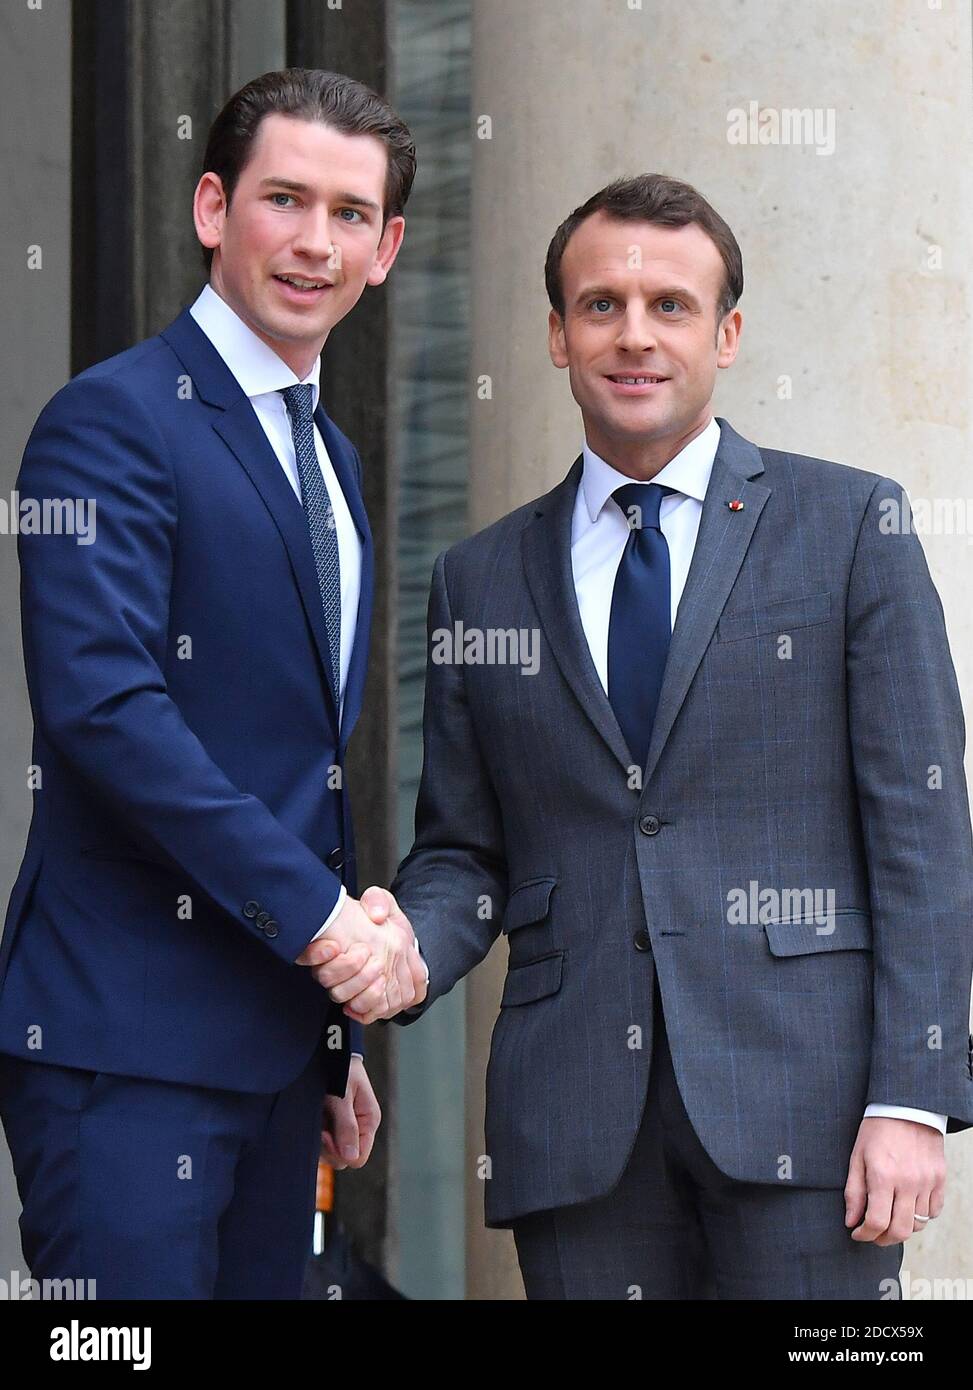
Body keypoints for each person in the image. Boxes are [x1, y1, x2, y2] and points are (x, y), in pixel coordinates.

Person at [314, 174, 973, 1299]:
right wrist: (407, 947)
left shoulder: (851, 525)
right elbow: (466, 849)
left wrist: (910, 1096)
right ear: (558, 335)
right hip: (577, 1131)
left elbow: (921, 827)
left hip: (807, 1124)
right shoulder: (479, 578)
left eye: (670, 305)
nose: (634, 334)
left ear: (726, 333)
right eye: (600, 305)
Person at [0, 67, 426, 1300]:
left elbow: (292, 760)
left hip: (268, 1060)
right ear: (208, 208)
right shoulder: (111, 421)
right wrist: (326, 924)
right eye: (282, 199)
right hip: (124, 1053)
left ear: (388, 248)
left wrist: (320, 1030)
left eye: (350, 214)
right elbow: (108, 710)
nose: (314, 242)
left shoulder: (329, 455)